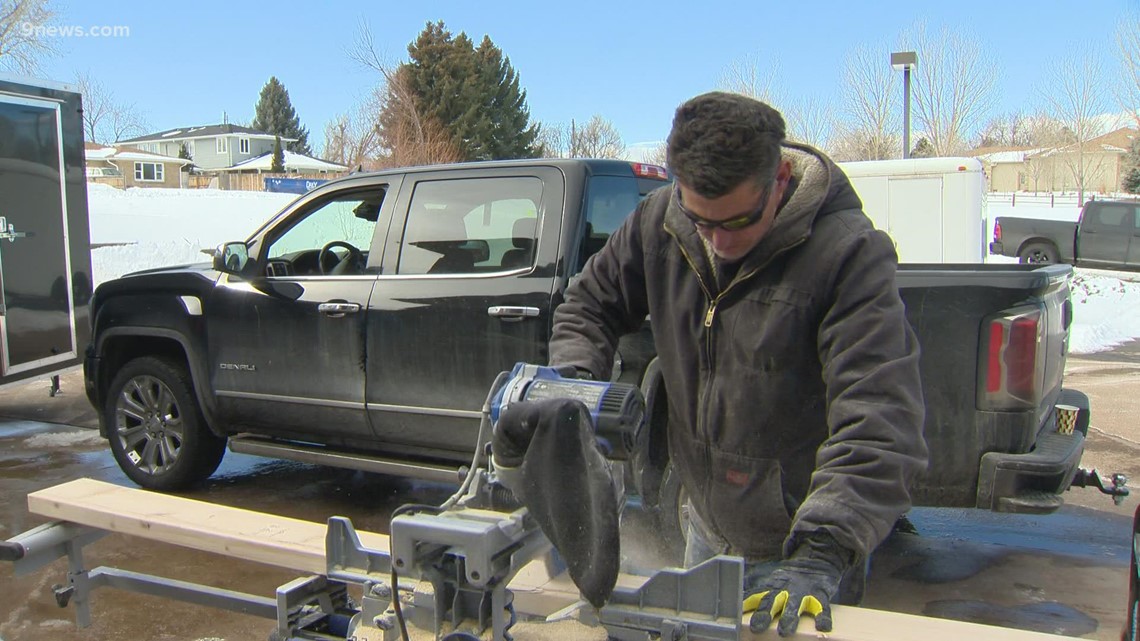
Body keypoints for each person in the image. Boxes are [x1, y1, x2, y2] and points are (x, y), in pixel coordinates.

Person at [548, 92, 929, 637]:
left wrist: (822, 550)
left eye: (739, 221)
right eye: (702, 223)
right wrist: (577, 387)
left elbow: (880, 416)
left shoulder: (848, 256)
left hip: (800, 547)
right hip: (703, 525)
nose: (719, 243)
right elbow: (588, 305)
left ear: (781, 177)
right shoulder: (662, 220)